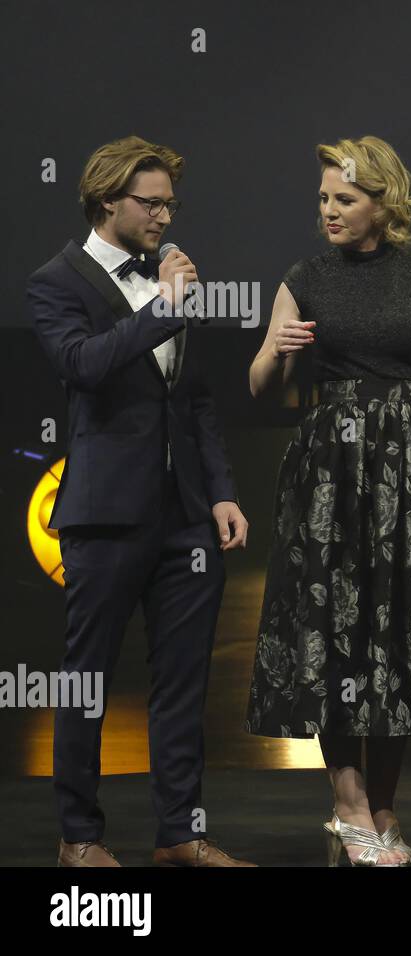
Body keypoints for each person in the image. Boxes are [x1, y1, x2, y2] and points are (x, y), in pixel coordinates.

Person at [245, 136, 411, 866]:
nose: (329, 212)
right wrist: (278, 350)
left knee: (404, 634)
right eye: (323, 200)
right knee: (331, 633)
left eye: (344, 200)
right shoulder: (306, 277)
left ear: (384, 204)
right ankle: (346, 806)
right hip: (329, 477)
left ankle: (384, 809)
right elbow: (263, 388)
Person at [28, 136, 253, 867]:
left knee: (183, 683)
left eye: (169, 203)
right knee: (88, 678)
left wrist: (220, 492)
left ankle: (180, 836)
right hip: (103, 514)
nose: (164, 216)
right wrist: (162, 307)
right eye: (149, 203)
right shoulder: (57, 281)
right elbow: (83, 365)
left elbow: (195, 402)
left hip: (183, 515)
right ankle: (79, 837)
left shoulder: (168, 279)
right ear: (105, 203)